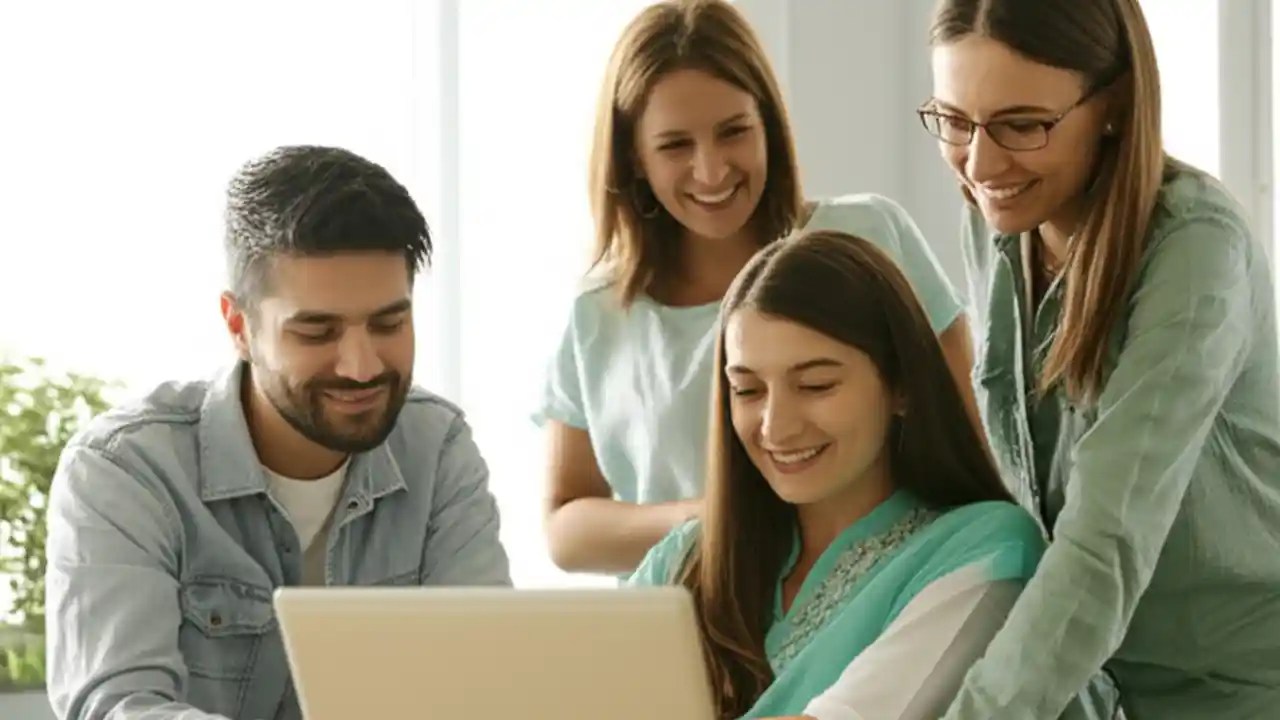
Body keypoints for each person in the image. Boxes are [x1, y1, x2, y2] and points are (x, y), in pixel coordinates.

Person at [44, 145, 511, 720]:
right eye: (317, 332)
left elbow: (481, 681)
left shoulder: (437, 449)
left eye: (389, 323)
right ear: (239, 326)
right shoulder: (125, 470)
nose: (362, 366)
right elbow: (117, 706)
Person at [916, 1, 1280, 717]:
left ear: (1112, 105)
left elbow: (1105, 537)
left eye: (1022, 124)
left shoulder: (1196, 251)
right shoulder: (998, 216)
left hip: (1233, 692)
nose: (981, 164)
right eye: (955, 121)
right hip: (1089, 690)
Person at [538, 0, 976, 577]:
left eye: (734, 132)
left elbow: (966, 439)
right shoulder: (600, 311)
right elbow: (566, 529)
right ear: (634, 158)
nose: (712, 170)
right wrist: (719, 518)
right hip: (681, 629)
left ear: (768, 125)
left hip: (875, 600)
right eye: (675, 146)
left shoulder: (868, 234)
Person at [628, 229, 1044, 719]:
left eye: (815, 385)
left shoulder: (988, 548)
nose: (775, 427)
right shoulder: (683, 561)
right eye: (748, 390)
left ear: (902, 387)